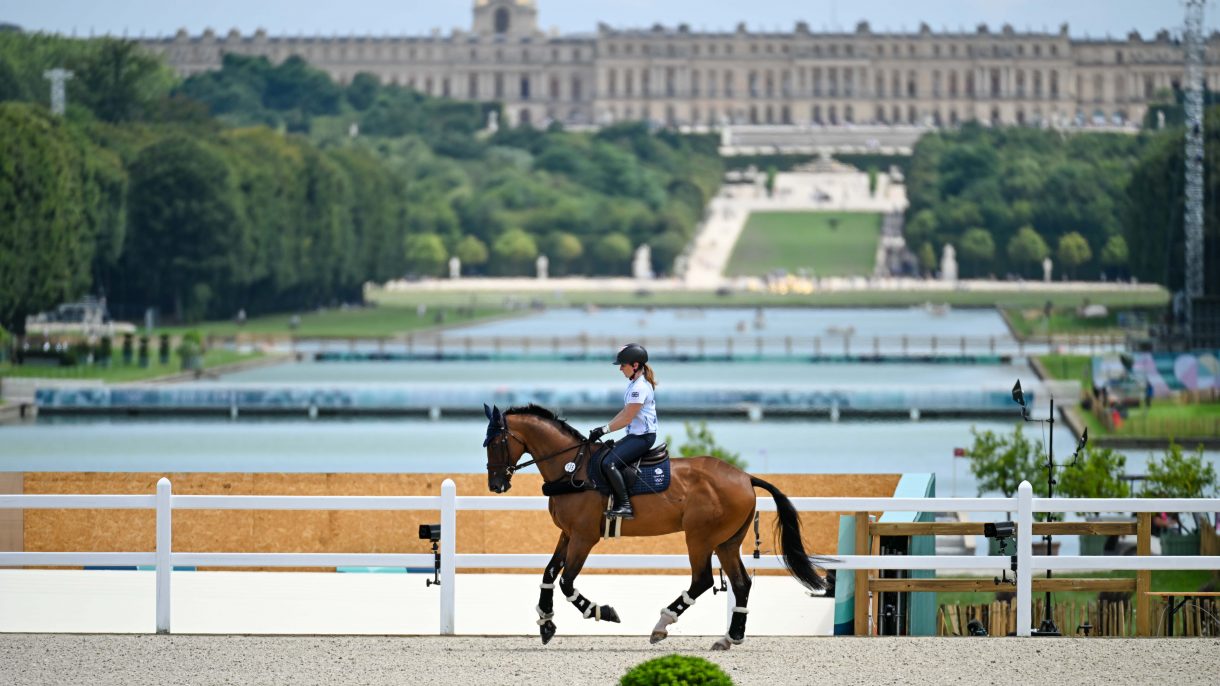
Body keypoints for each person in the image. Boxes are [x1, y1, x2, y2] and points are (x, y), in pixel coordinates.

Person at [588, 343, 658, 519]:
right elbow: (625, 412)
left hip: (643, 438)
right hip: (635, 436)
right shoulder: (634, 384)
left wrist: (604, 430)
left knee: (608, 463)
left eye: (623, 365)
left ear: (635, 365)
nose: (620, 369)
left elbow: (628, 418)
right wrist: (604, 428)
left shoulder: (639, 388)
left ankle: (625, 505)